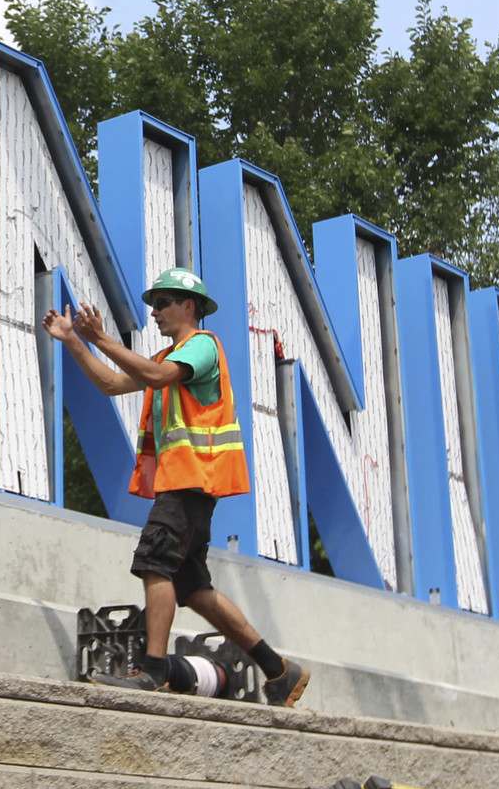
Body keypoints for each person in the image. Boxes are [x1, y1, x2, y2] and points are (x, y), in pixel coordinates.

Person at [42, 266, 309, 706]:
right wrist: (73, 340)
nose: (155, 312)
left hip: (191, 482)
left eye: (162, 303)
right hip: (187, 486)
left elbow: (158, 378)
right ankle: (279, 670)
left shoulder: (202, 346)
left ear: (189, 306)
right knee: (193, 589)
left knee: (153, 563)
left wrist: (102, 339)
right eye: (152, 305)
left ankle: (153, 670)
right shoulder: (167, 358)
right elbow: (111, 384)